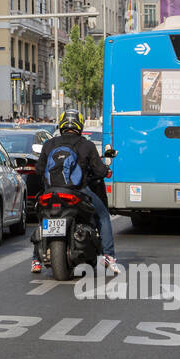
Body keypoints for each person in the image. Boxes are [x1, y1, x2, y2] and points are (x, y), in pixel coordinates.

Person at [35, 109, 120, 276]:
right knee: (103, 215)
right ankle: (109, 256)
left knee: (43, 216)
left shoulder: (49, 144)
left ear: (61, 124)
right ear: (79, 125)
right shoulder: (86, 144)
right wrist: (106, 171)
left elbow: (39, 169)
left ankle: (35, 259)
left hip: (51, 192)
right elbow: (100, 170)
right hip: (78, 190)